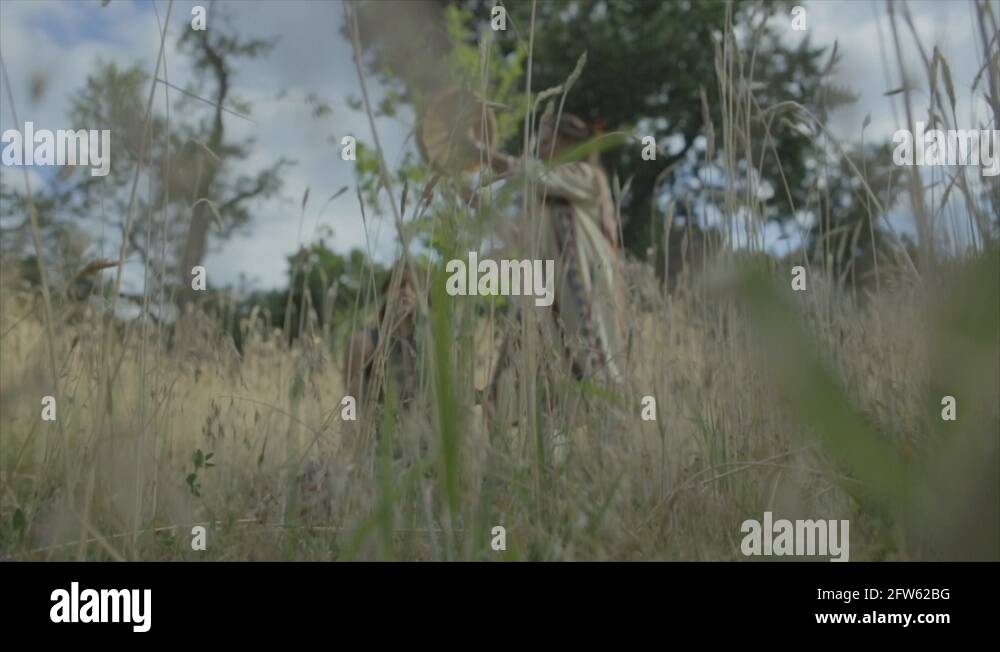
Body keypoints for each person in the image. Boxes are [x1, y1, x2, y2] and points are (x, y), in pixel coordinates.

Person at [477, 112, 628, 423]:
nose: (541, 147)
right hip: (539, 297)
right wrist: (472, 200)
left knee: (593, 367)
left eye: (547, 140)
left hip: (579, 294)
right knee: (511, 385)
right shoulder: (539, 200)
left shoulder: (587, 177)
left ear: (570, 143)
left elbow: (534, 175)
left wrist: (482, 153)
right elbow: (516, 236)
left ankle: (617, 448)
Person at [343, 261, 420, 408]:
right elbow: (349, 401)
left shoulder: (432, 345)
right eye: (401, 285)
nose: (407, 291)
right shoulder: (362, 344)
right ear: (386, 292)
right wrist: (348, 428)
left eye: (414, 287)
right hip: (377, 429)